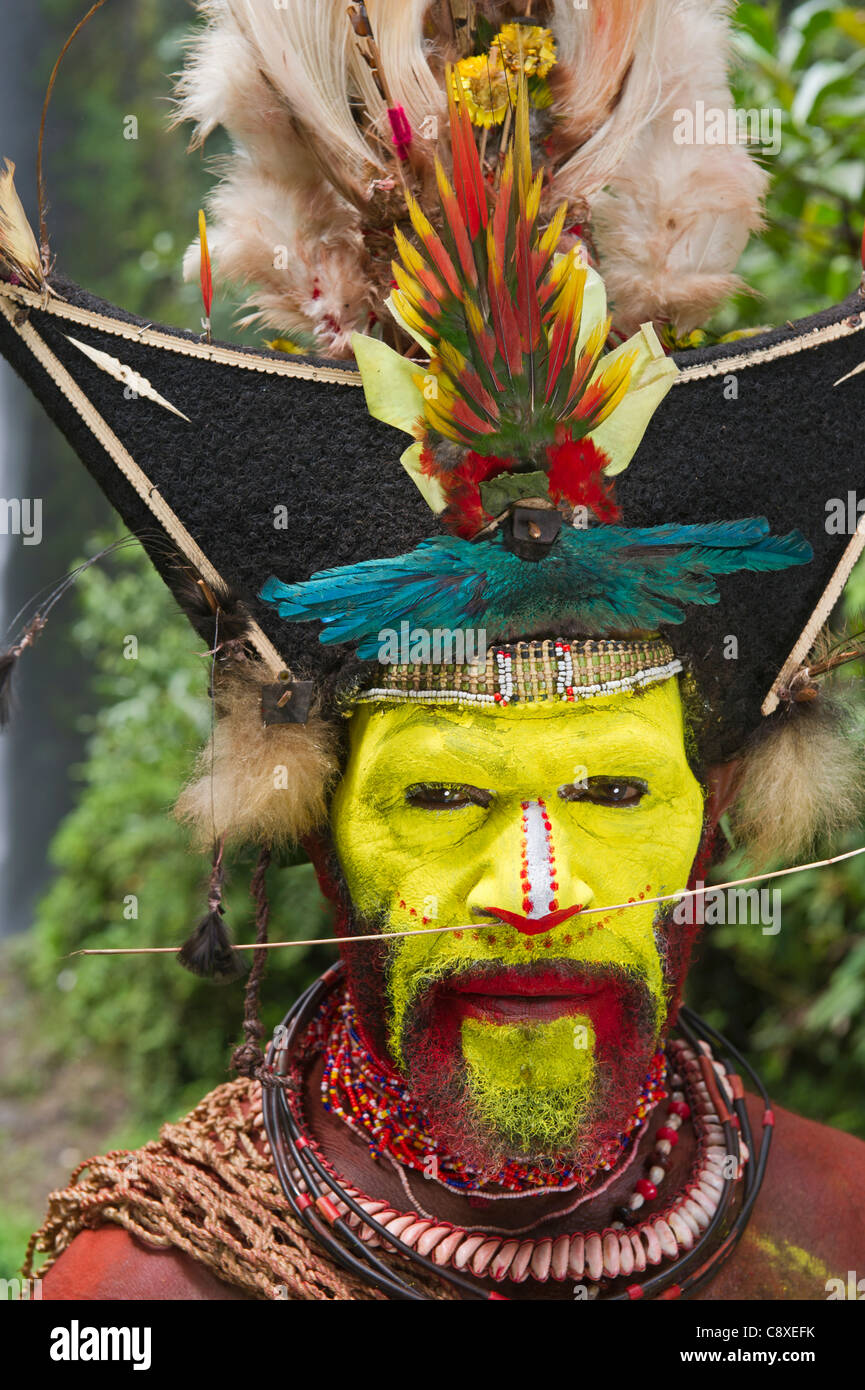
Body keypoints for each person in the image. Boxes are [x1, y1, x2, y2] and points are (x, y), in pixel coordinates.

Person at [3, 1, 865, 1301]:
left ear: (715, 810)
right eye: (445, 794)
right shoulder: (143, 1290)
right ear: (315, 821)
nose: (533, 891)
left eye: (611, 791)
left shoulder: (839, 1237)